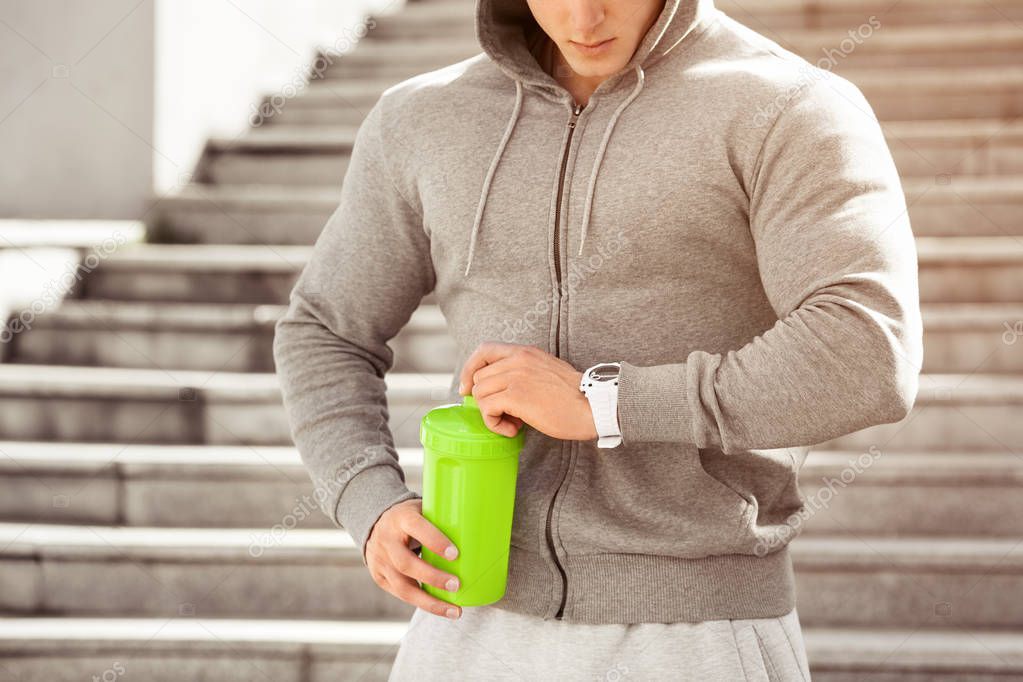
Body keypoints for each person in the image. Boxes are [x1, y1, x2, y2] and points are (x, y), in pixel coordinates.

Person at [272, 0, 922, 679]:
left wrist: (604, 404)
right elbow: (324, 328)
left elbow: (864, 354)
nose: (582, 18)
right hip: (466, 624)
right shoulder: (422, 118)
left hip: (693, 636)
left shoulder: (789, 106)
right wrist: (366, 499)